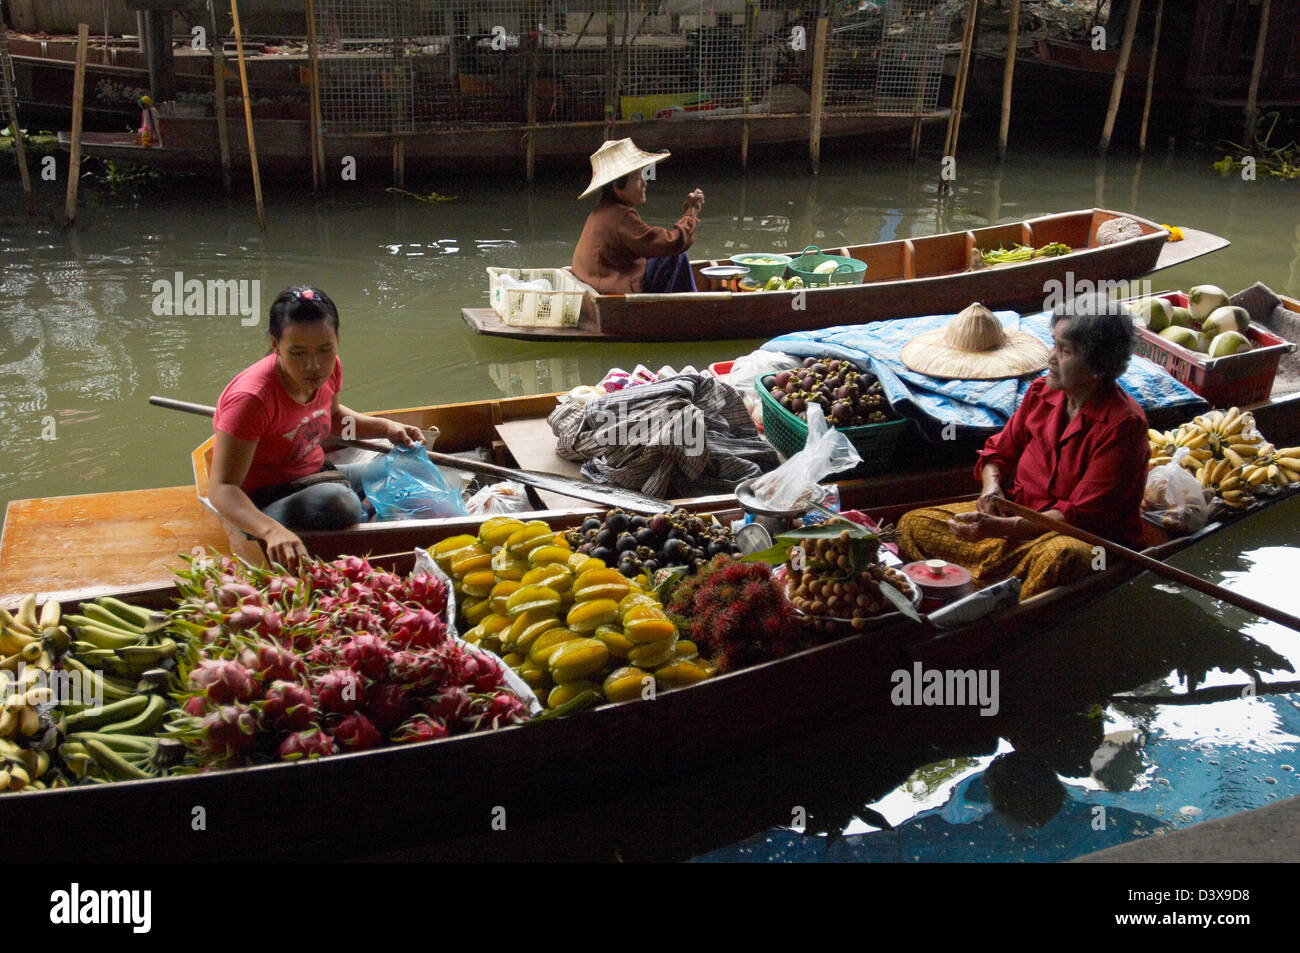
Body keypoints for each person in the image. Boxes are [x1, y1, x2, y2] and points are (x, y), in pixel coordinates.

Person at [897, 293, 1151, 600]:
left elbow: (1080, 517)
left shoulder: (1124, 426)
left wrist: (1003, 528)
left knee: (1063, 557)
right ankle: (984, 587)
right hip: (1014, 526)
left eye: (1065, 351)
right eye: (1054, 345)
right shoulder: (1041, 392)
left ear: (1098, 366)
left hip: (1077, 541)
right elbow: (998, 453)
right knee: (912, 525)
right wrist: (991, 489)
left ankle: (993, 604)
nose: (1051, 358)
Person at [209, 286, 423, 567]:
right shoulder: (251, 399)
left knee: (407, 466)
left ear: (337, 340)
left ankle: (367, 511)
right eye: (297, 353)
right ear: (275, 345)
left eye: (325, 349)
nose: (314, 366)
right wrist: (272, 531)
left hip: (315, 475)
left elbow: (332, 420)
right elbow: (222, 489)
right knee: (340, 503)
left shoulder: (331, 367)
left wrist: (386, 429)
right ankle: (364, 513)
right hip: (263, 500)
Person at [571, 138, 704, 295]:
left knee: (666, 258)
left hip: (605, 278)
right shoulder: (621, 216)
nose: (644, 183)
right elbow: (671, 243)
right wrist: (690, 213)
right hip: (613, 288)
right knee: (678, 257)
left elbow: (649, 243)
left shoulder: (604, 210)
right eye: (637, 179)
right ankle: (691, 308)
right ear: (617, 187)